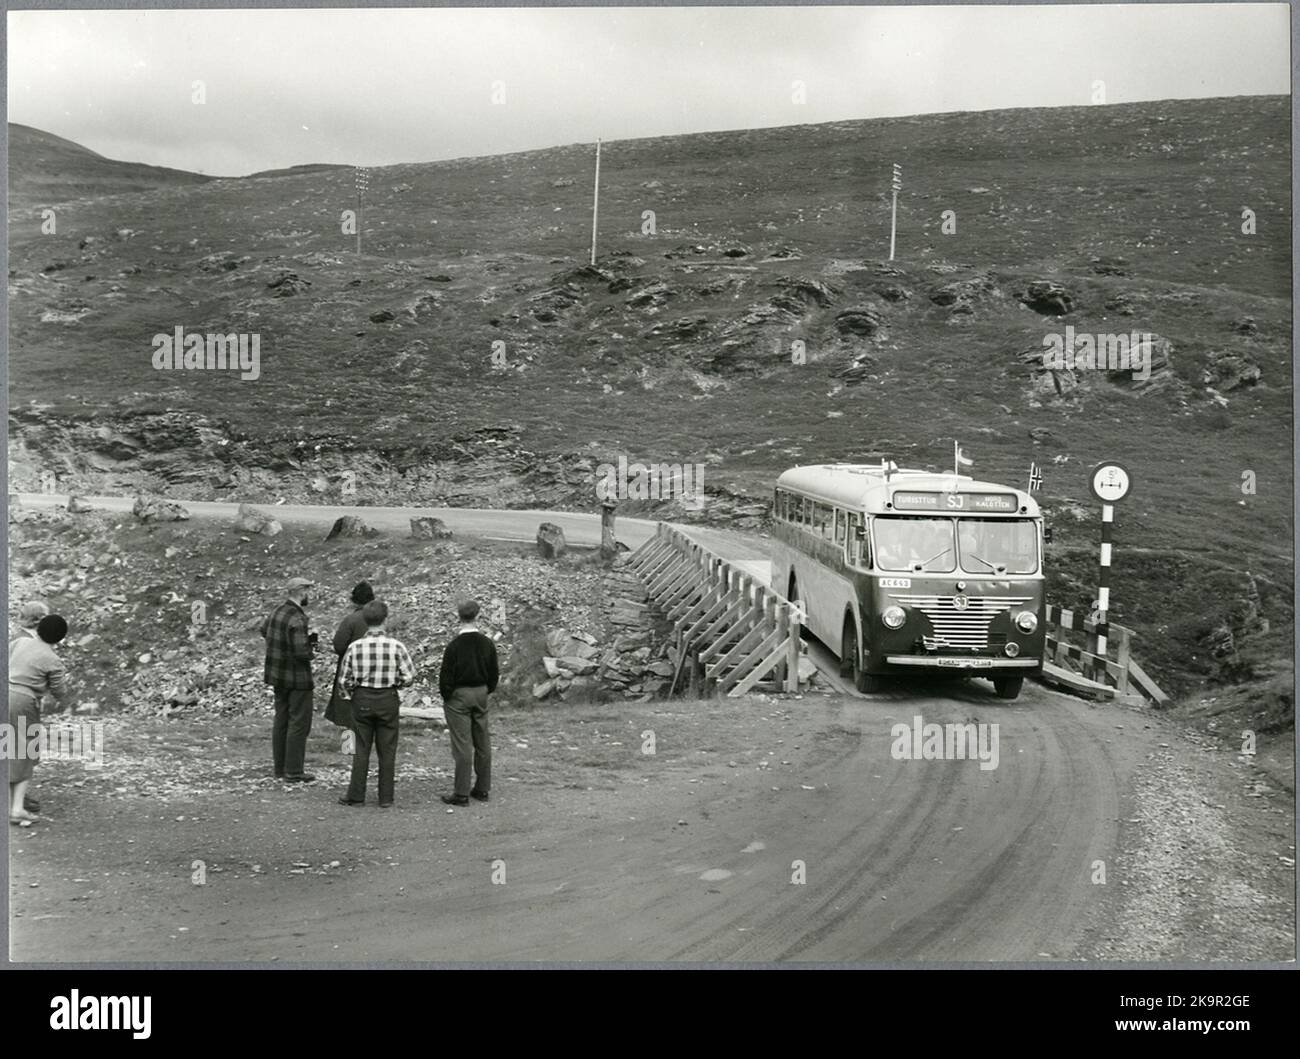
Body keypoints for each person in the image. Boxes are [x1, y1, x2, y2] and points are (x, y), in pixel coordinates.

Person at [337, 600, 415, 808]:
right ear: (385, 619)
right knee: (387, 749)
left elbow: (343, 680)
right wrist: (396, 683)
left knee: (360, 748)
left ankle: (356, 795)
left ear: (365, 619)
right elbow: (409, 676)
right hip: (387, 698)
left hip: (362, 698)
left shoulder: (354, 647)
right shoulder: (396, 646)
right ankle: (386, 797)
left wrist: (349, 696)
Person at [8, 614, 70, 825]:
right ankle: (17, 809)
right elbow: (60, 692)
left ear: (38, 628)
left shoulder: (20, 642)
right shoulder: (52, 659)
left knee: (6, 748)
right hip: (22, 701)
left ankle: (9, 803)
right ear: (60, 638)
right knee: (26, 752)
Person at [437, 600, 499, 806]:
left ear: (459, 617)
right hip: (481, 692)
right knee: (483, 740)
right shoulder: (487, 643)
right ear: (478, 616)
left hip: (459, 695)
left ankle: (461, 792)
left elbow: (445, 676)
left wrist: (448, 695)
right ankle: (482, 788)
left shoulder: (454, 646)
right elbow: (494, 672)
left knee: (462, 743)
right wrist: (486, 689)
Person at [259, 576, 318, 783]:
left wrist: (280, 646)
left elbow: (264, 630)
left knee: (281, 720)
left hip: (278, 675)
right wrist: (313, 647)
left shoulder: (277, 611)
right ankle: (294, 770)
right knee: (299, 723)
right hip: (298, 678)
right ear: (301, 592)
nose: (309, 595)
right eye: (308, 591)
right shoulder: (297, 618)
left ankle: (280, 768)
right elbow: (301, 652)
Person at [325, 581, 375, 731]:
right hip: (374, 671)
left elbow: (339, 645)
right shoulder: (378, 619)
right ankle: (367, 742)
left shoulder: (351, 620)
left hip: (351, 670)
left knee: (347, 716)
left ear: (354, 600)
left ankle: (349, 743)